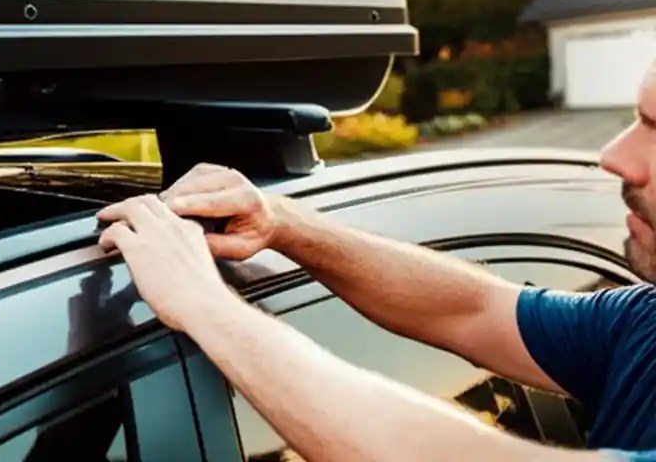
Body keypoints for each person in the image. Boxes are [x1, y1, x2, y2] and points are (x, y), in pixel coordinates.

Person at [96, 68, 656, 462]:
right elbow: (473, 310)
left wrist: (205, 304)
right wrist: (283, 224)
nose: (615, 158)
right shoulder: (644, 323)